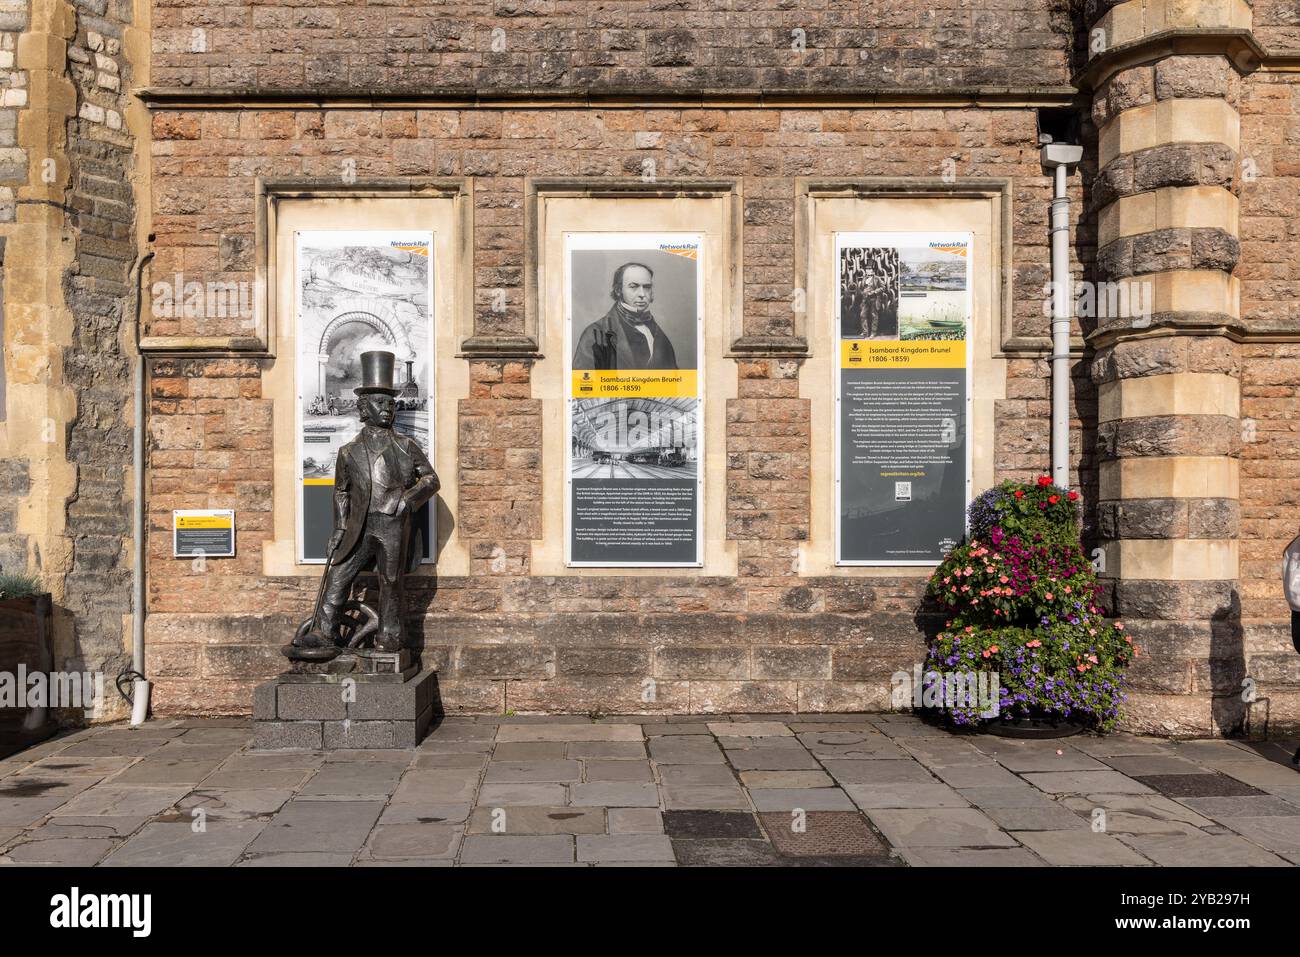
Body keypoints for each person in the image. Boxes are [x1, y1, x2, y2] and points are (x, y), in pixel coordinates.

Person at [293, 351, 439, 654]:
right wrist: (339, 527)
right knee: (339, 572)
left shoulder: (406, 446)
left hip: (393, 525)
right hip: (359, 526)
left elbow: (431, 480)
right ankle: (323, 632)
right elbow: (341, 492)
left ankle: (390, 638)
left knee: (390, 580)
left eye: (391, 403)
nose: (387, 409)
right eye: (380, 403)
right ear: (363, 408)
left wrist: (407, 501)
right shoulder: (348, 452)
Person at [572, 262, 678, 370]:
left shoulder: (658, 334)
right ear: (618, 290)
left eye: (647, 287)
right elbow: (582, 383)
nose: (642, 294)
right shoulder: (595, 333)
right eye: (633, 287)